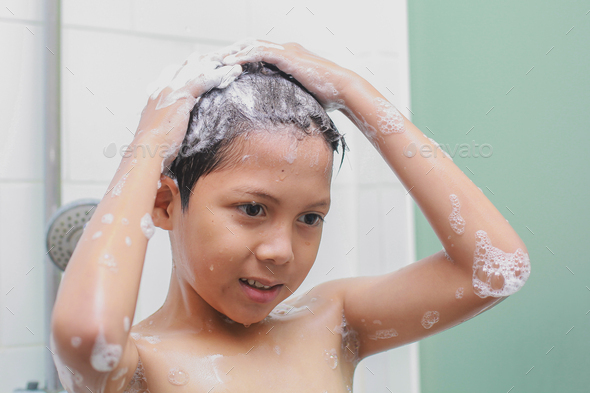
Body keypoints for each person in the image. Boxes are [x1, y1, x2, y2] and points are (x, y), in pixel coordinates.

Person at [50, 38, 531, 392]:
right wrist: (149, 145)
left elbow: (496, 269)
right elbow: (89, 332)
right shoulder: (140, 367)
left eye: (310, 218)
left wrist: (354, 92)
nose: (281, 251)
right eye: (253, 209)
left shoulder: (334, 323)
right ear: (164, 203)